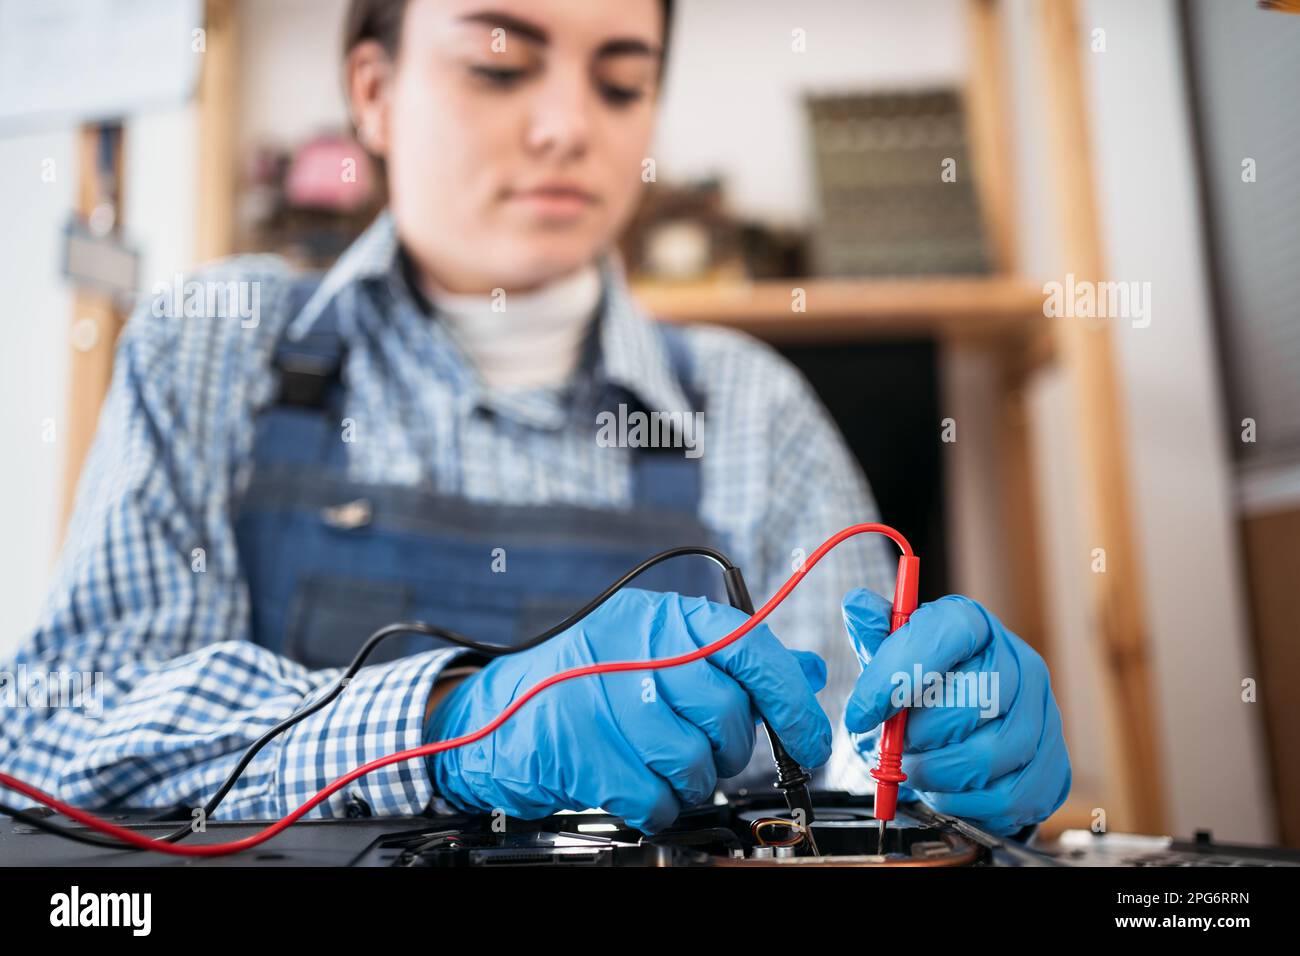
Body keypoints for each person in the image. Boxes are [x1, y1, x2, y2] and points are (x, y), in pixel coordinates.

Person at [0, 0, 1069, 839]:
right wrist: (450, 726)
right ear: (372, 91)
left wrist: (946, 756)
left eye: (620, 81)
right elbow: (51, 735)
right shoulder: (210, 348)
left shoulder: (753, 409)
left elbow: (856, 759)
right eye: (501, 64)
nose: (566, 126)